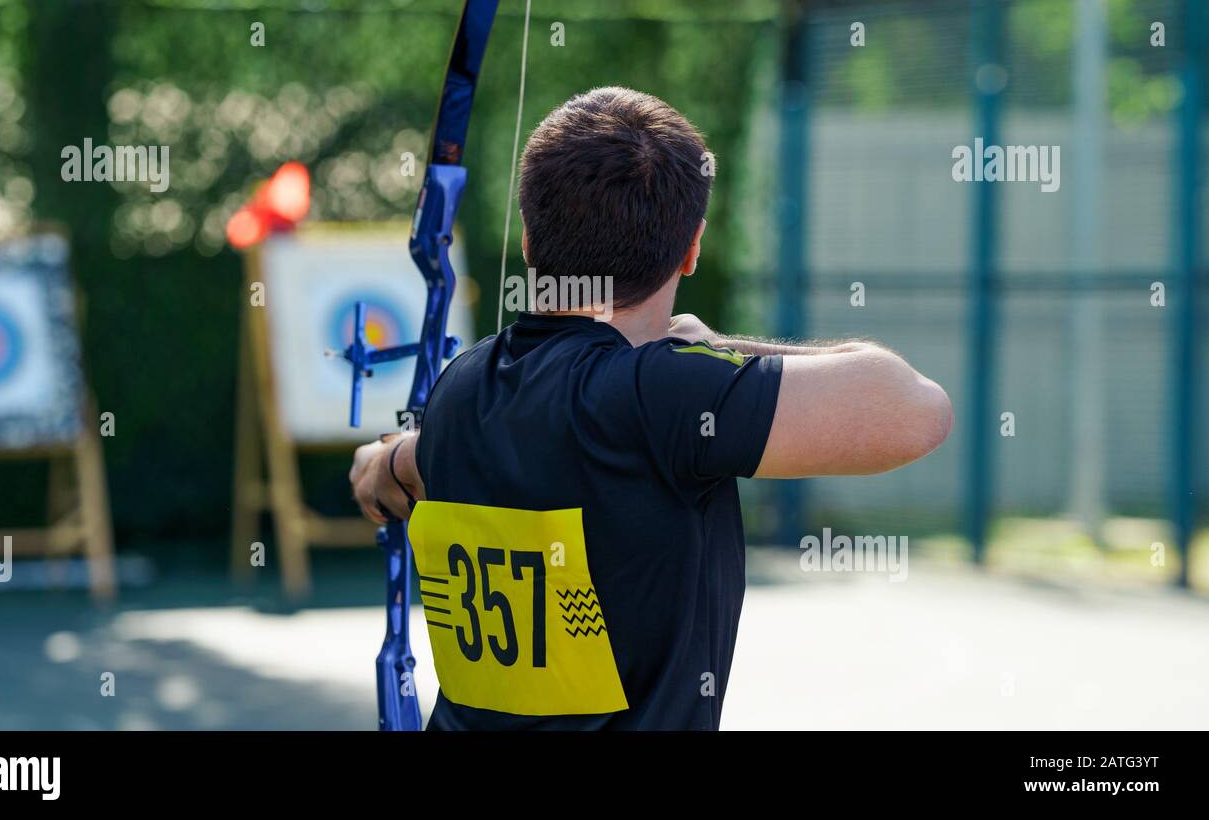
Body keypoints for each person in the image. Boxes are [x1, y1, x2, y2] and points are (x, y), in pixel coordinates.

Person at [349, 86, 952, 729]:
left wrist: (380, 465)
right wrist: (720, 349)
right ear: (691, 249)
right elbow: (918, 407)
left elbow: (407, 465)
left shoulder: (460, 391)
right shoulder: (667, 396)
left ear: (529, 238)